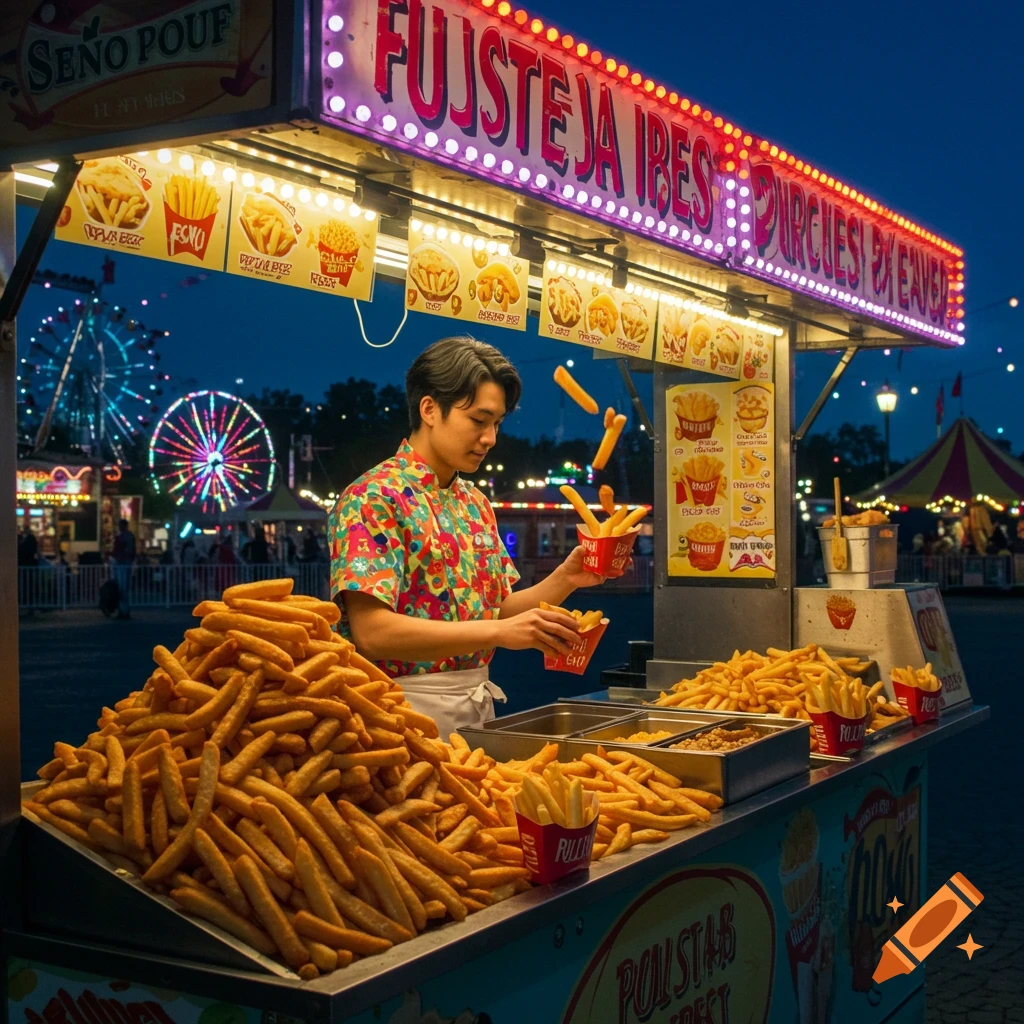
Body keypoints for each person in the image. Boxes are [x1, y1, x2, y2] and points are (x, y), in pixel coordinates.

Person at [329, 336, 608, 737]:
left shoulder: (475, 502)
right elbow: (373, 631)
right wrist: (498, 632)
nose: (491, 438)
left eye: (497, 423)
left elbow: (500, 609)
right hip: (390, 711)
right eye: (478, 421)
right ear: (429, 409)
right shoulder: (373, 497)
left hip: (476, 706)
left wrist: (566, 577)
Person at [111, 518, 136, 619]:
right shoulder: (130, 536)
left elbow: (117, 549)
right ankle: (125, 610)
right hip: (127, 563)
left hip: (121, 563)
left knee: (122, 587)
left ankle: (123, 611)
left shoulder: (121, 537)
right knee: (125, 587)